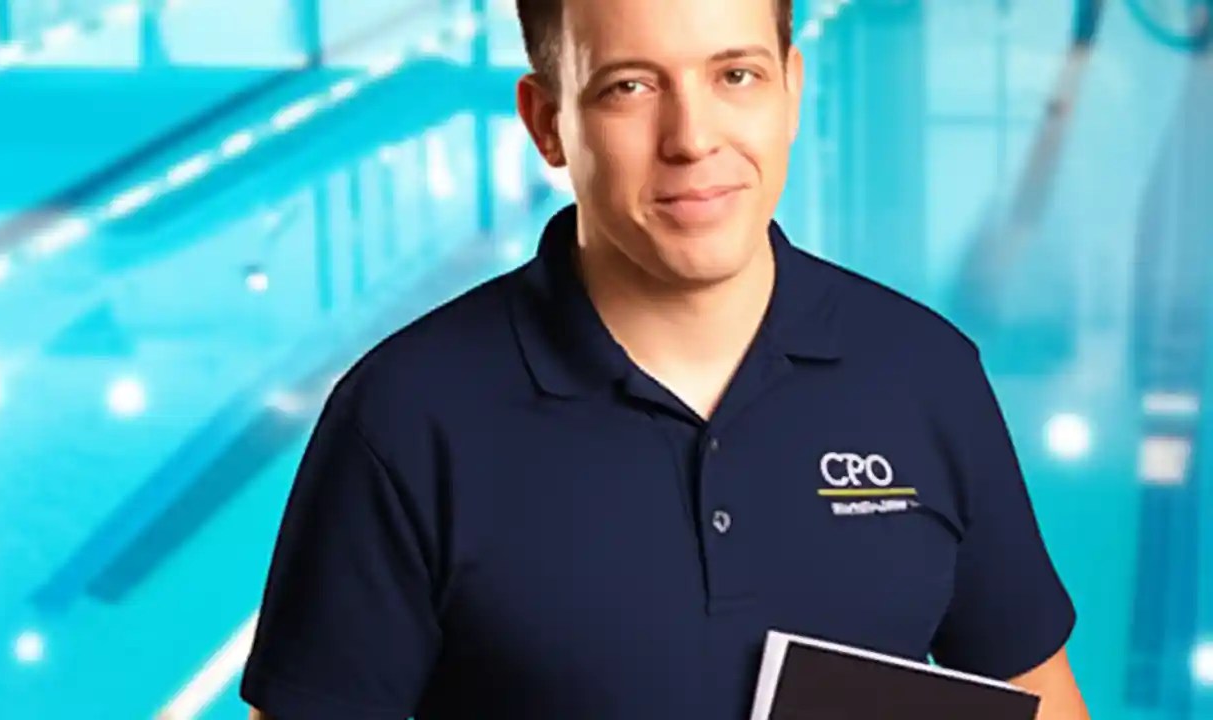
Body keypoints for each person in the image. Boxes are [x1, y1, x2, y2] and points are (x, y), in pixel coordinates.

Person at [240, 0, 1092, 717]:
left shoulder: (923, 373)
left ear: (791, 90)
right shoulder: (407, 417)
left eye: (736, 75)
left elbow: (1035, 692)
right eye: (630, 86)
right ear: (547, 123)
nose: (692, 139)